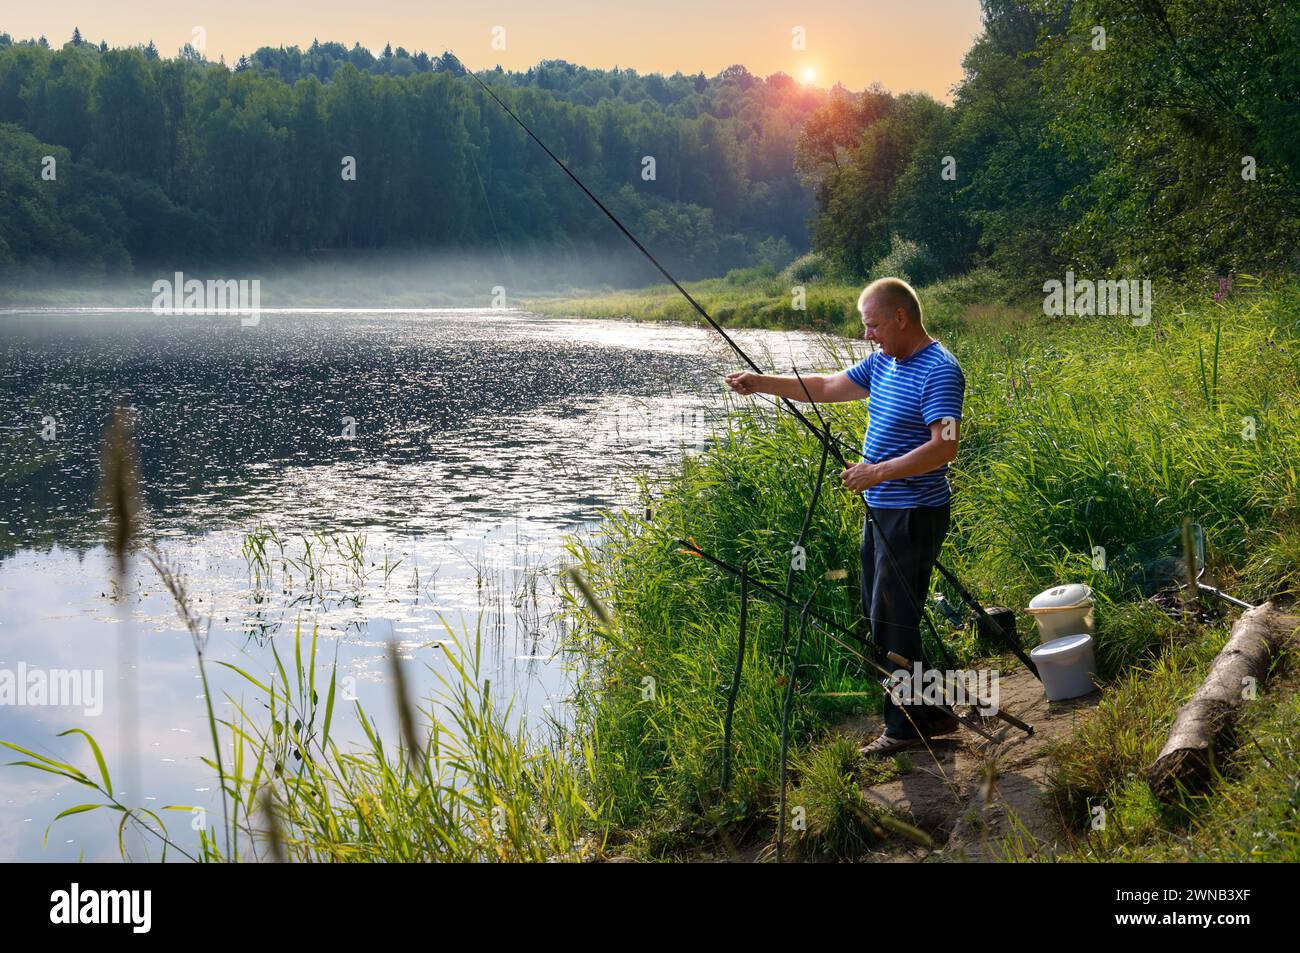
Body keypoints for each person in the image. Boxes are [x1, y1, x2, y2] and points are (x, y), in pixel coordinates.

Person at [725, 277, 965, 756]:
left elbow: (946, 446)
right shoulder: (884, 362)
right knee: (883, 614)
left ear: (900, 317)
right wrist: (762, 384)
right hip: (883, 510)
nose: (867, 336)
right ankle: (933, 712)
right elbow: (825, 386)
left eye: (872, 325)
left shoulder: (939, 369)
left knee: (891, 621)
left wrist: (878, 472)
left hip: (914, 512)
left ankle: (902, 729)